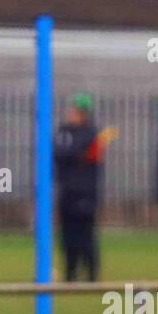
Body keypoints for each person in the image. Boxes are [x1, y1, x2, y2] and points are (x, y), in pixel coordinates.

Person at [54, 93, 115, 282]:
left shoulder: (92, 136)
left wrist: (75, 154)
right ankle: (70, 274)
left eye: (75, 111)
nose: (70, 114)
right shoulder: (64, 132)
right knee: (67, 236)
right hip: (67, 192)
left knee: (86, 236)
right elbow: (58, 154)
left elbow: (83, 158)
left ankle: (91, 275)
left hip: (85, 193)